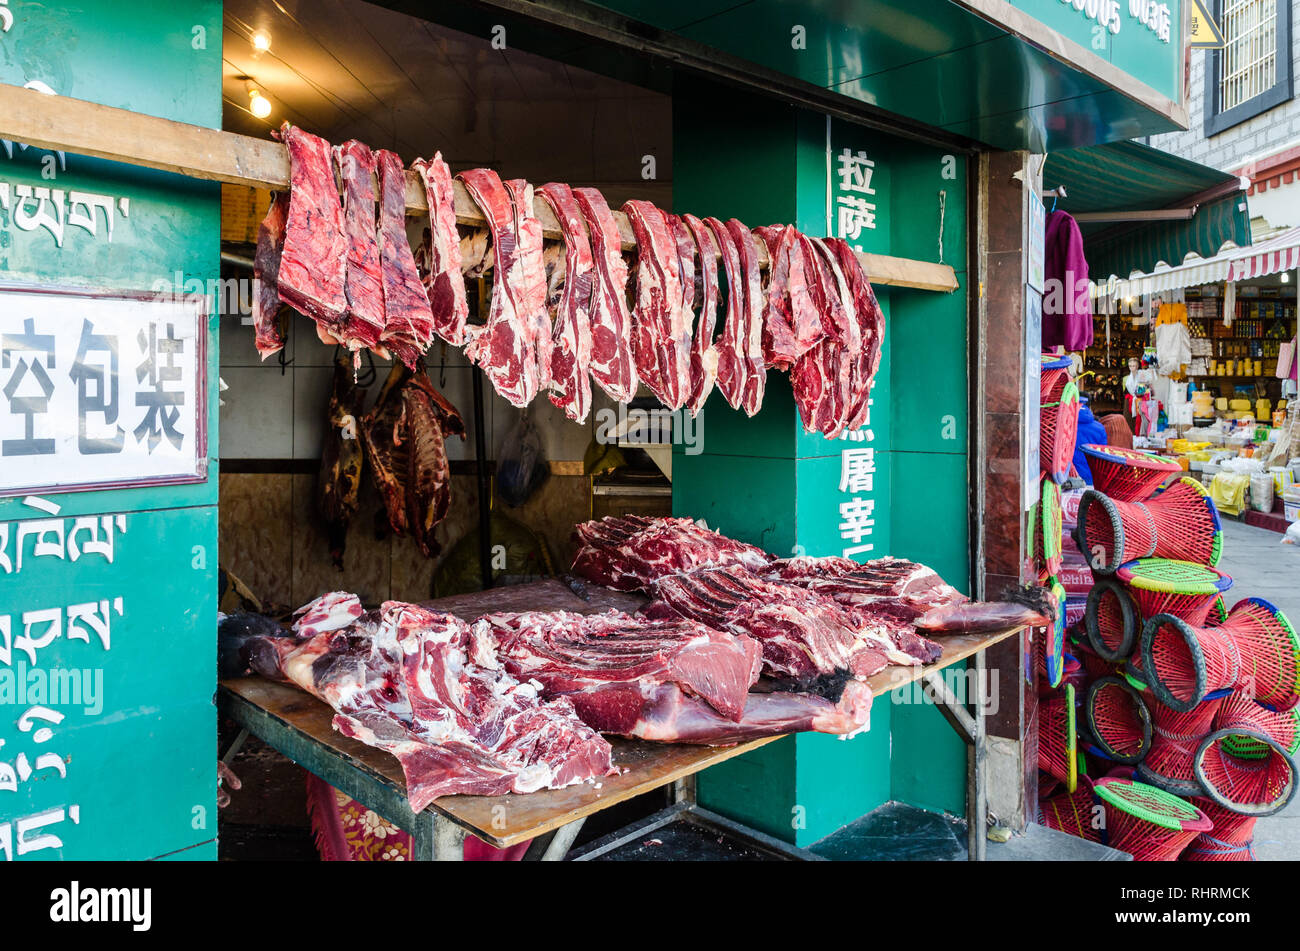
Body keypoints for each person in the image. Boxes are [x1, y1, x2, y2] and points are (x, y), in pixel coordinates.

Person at [1072, 393, 1107, 484]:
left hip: (1068, 478)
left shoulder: (1064, 426)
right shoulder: (1100, 428)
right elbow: (1102, 456)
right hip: (1091, 478)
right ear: (1089, 406)